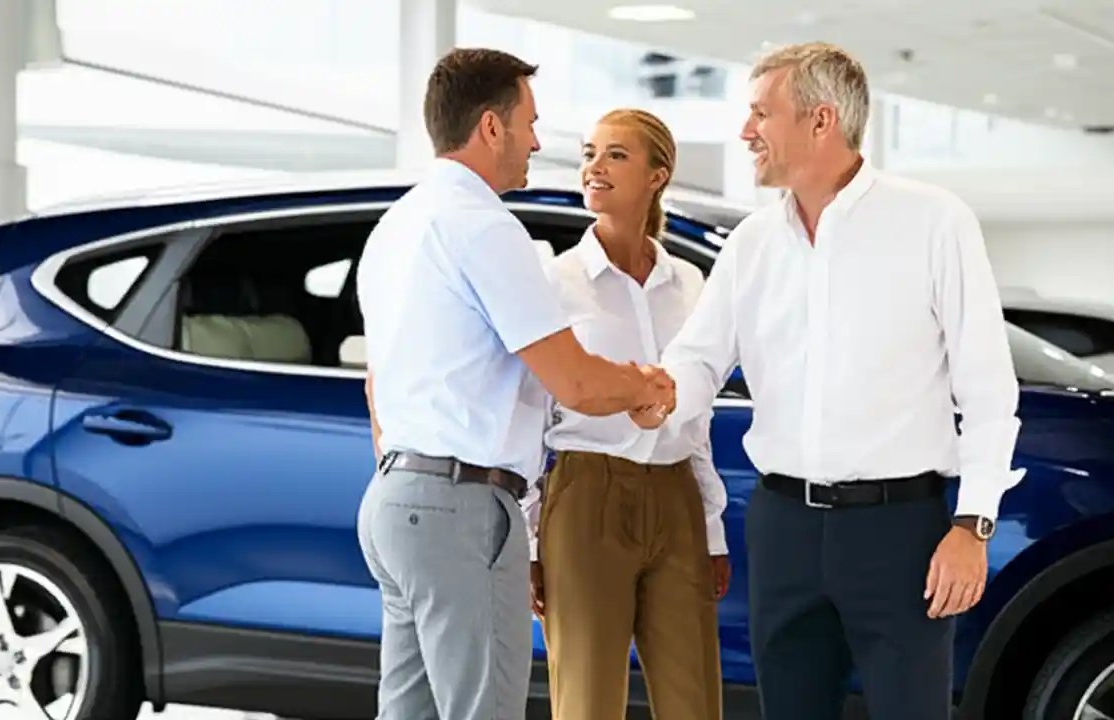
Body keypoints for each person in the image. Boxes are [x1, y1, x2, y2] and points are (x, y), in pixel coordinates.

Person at [640, 42, 1024, 720]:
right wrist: (654, 396)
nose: (745, 131)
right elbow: (697, 359)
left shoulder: (934, 221)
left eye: (762, 113)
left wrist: (974, 524)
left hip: (901, 531)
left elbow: (988, 385)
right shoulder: (753, 243)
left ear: (822, 121)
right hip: (783, 527)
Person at [355, 48, 676, 720]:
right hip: (460, 508)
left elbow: (376, 389)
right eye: (529, 122)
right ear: (491, 127)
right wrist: (646, 385)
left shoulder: (396, 226)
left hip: (396, 499)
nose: (537, 140)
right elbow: (575, 381)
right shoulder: (483, 228)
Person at [521, 108, 729, 720]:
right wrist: (535, 540)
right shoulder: (555, 282)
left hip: (676, 498)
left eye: (615, 155)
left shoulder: (690, 283)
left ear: (657, 175)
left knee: (696, 703)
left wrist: (711, 529)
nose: (594, 166)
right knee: (586, 703)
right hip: (586, 496)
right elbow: (534, 414)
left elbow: (699, 414)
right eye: (589, 153)